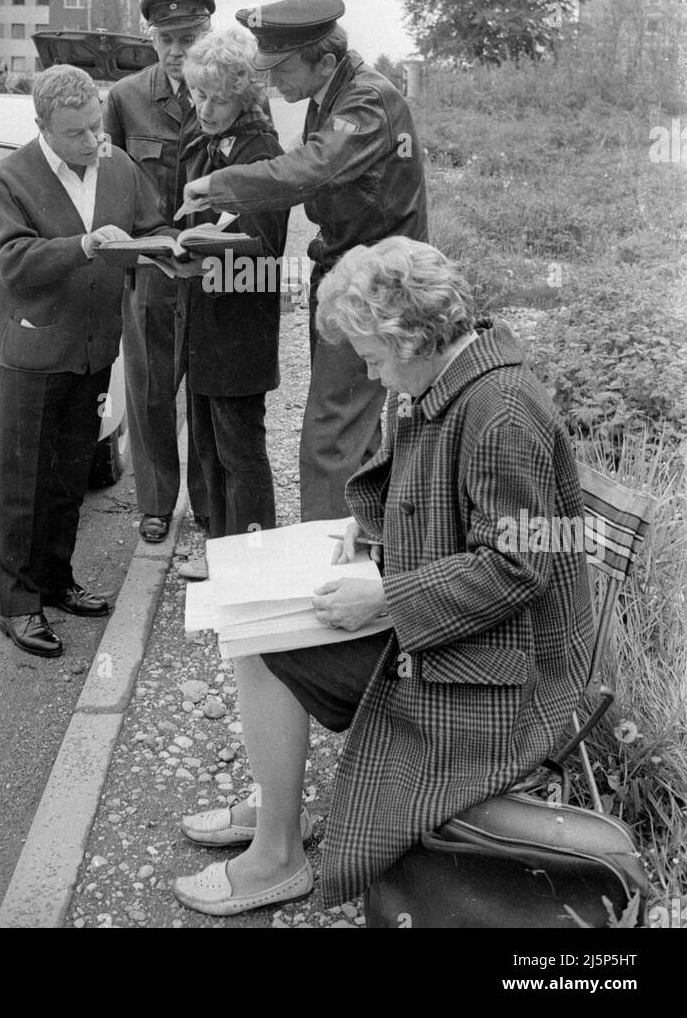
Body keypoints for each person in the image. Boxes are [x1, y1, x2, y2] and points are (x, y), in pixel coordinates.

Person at [172, 237, 595, 916]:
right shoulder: (449, 377)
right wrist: (367, 536)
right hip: (468, 635)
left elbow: (518, 568)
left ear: (406, 338)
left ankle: (278, 855)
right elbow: (426, 499)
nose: (370, 375)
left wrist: (387, 598)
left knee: (262, 642)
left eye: (371, 357)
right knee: (248, 627)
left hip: (505, 675)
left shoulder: (499, 411)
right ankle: (274, 811)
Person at [179, 0, 428, 523]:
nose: (271, 82)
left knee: (329, 438)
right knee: (356, 437)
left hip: (376, 284)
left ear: (325, 60)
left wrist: (218, 185)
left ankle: (324, 571)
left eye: (282, 69)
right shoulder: (332, 92)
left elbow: (307, 171)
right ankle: (365, 551)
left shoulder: (364, 102)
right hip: (352, 271)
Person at [0, 64, 166, 658]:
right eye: (77, 133)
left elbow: (151, 224)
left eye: (96, 127)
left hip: (93, 350)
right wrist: (84, 245)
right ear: (42, 127)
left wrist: (173, 247)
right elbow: (11, 261)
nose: (93, 142)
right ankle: (18, 604)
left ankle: (57, 581)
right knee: (23, 484)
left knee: (67, 478)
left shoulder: (117, 166)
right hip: (35, 353)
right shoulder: (10, 179)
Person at [103, 0, 214, 543]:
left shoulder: (230, 92)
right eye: (167, 39)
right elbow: (108, 185)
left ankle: (207, 500)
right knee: (149, 390)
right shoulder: (124, 99)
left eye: (189, 37)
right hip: (148, 271)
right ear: (152, 39)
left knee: (207, 389)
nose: (178, 51)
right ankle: (155, 501)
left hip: (212, 267)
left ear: (207, 34)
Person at [175, 27, 289, 557]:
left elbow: (264, 248)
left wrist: (200, 253)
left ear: (244, 93)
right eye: (198, 94)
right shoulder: (200, 141)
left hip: (241, 323)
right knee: (209, 448)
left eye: (218, 98)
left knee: (241, 450)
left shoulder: (261, 150)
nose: (205, 107)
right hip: (203, 314)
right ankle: (223, 556)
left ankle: (254, 561)